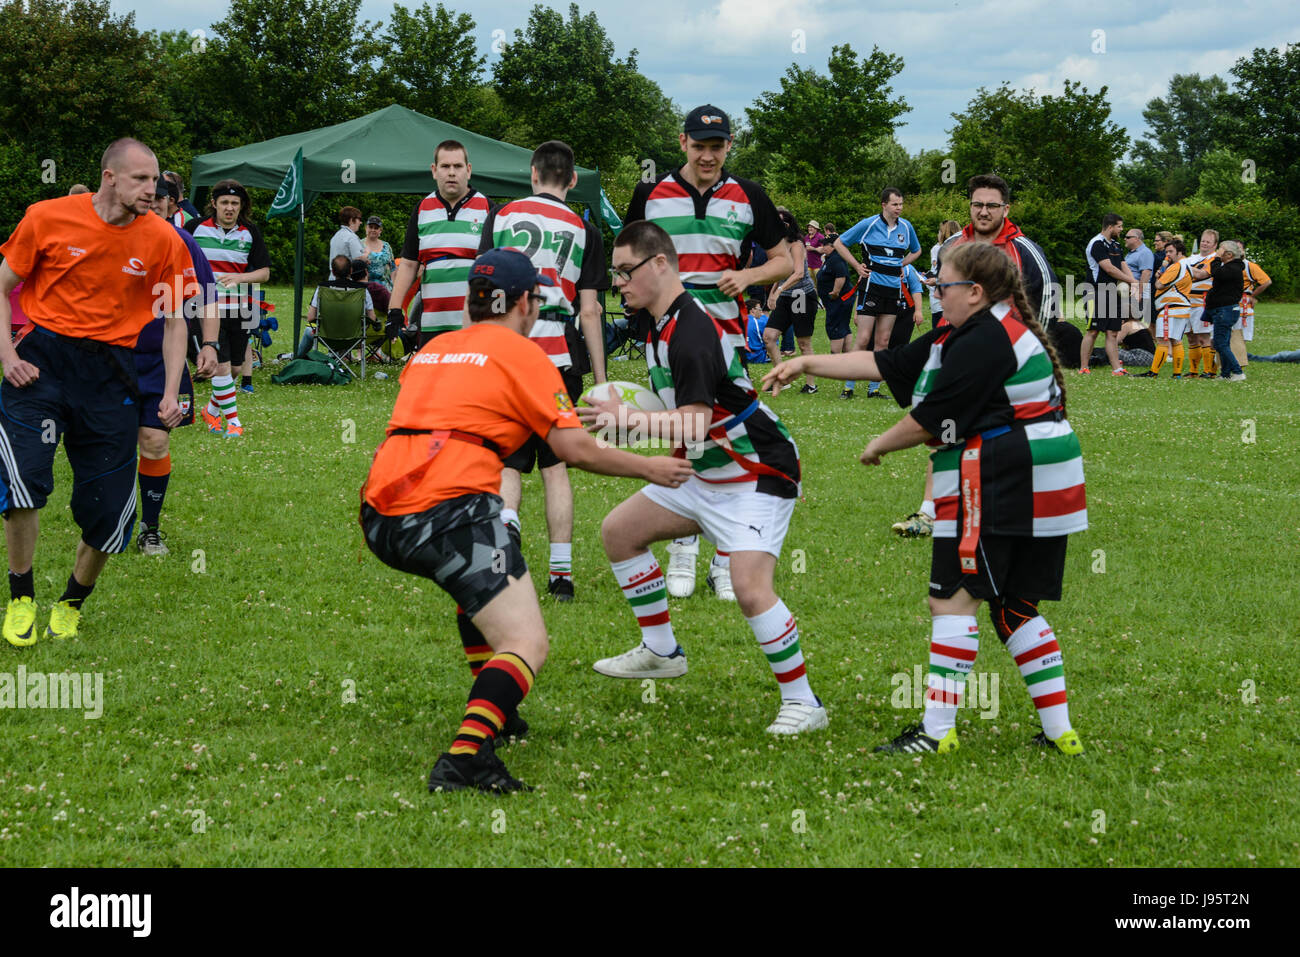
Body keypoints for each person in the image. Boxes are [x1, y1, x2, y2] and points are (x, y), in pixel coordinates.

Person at [359, 248, 691, 793]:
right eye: (536, 298)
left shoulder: (434, 349)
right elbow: (574, 449)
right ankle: (465, 758)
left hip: (380, 512)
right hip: (449, 512)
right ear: (525, 303)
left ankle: (501, 712)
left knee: (478, 595)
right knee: (527, 643)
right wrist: (648, 466)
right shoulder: (525, 354)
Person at [763, 241, 1086, 755]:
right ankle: (1059, 733)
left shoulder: (985, 339)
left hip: (1002, 480)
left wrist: (878, 445)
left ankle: (936, 734)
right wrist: (807, 365)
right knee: (1014, 607)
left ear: (975, 293)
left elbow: (936, 416)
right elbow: (888, 362)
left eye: (944, 283)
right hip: (1046, 483)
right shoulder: (969, 331)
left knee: (950, 600)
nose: (935, 290)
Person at [579, 221, 827, 735]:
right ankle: (661, 650)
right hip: (706, 466)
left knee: (748, 587)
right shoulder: (656, 320)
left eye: (626, 272)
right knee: (620, 532)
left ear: (661, 265)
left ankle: (805, 704)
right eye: (616, 274)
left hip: (757, 469)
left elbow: (692, 418)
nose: (619, 283)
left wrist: (628, 421)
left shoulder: (691, 331)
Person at [0, 137, 191, 646]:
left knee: (109, 507)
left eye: (156, 181)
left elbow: (176, 321)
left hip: (113, 372)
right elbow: (2, 285)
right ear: (110, 177)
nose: (154, 190)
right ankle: (21, 595)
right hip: (43, 362)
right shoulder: (46, 217)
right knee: (23, 483)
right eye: (141, 180)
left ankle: (70, 604)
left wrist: (170, 391)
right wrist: (8, 355)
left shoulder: (164, 240)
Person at [623, 104, 792, 601]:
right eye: (699, 146)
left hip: (729, 340)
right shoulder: (649, 193)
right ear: (682, 144)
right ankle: (682, 550)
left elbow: (785, 260)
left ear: (729, 146)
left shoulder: (749, 196)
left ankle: (724, 557)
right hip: (669, 337)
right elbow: (628, 259)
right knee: (684, 437)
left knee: (728, 445)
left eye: (717, 147)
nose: (708, 156)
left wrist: (749, 275)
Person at [891, 173, 1059, 538]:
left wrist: (1030, 355)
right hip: (961, 354)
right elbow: (944, 293)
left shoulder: (1024, 250)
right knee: (946, 425)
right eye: (977, 204)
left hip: (1011, 361)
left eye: (992, 205)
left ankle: (1010, 511)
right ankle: (930, 512)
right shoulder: (953, 244)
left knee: (1008, 436)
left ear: (1006, 209)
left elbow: (1045, 299)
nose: (983, 212)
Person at [479, 140, 609, 602]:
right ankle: (561, 577)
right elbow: (591, 311)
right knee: (556, 468)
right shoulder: (586, 231)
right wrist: (600, 376)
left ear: (532, 173)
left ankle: (508, 530)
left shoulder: (502, 216)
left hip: (509, 353)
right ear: (572, 180)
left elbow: (484, 290)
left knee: (507, 460)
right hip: (560, 358)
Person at [135, 179, 220, 555]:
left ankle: (149, 528)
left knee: (155, 439)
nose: (152, 205)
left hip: (161, 355)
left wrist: (211, 345)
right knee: (112, 445)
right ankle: (111, 518)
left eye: (160, 200)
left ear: (172, 204)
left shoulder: (183, 241)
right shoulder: (114, 235)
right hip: (110, 357)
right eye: (147, 198)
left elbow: (208, 296)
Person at [185, 179, 270, 437]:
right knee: (220, 366)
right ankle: (233, 423)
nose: (230, 208)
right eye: (225, 203)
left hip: (240, 307)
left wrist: (241, 278)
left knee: (233, 369)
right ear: (214, 204)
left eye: (235, 203)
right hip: (205, 307)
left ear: (241, 206)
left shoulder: (250, 231)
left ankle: (211, 410)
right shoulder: (194, 227)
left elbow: (264, 272)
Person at [391, 141, 493, 347]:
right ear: (434, 171)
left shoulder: (488, 208)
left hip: (475, 323)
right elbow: (409, 264)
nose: (452, 173)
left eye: (458, 166)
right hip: (432, 324)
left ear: (469, 170)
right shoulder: (422, 209)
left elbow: (499, 268)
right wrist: (394, 310)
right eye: (445, 167)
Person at [833, 187, 922, 398]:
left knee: (883, 341)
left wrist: (902, 264)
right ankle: (849, 386)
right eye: (895, 204)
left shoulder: (906, 227)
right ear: (884, 205)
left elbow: (916, 251)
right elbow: (839, 243)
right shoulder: (869, 224)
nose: (899, 208)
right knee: (863, 339)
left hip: (893, 291)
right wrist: (856, 265)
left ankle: (874, 389)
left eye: (901, 204)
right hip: (870, 289)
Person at [762, 208, 820, 392]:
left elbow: (798, 273)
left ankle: (811, 385)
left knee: (803, 342)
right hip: (785, 295)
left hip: (800, 295)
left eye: (783, 223)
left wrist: (778, 290)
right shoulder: (777, 246)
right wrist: (773, 293)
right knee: (769, 337)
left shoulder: (796, 245)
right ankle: (781, 378)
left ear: (789, 224)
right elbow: (781, 272)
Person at [1191, 240, 1247, 381]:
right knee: (1223, 343)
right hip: (1224, 310)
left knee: (1220, 344)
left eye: (1221, 249)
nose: (1218, 251)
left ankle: (1238, 371)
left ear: (1229, 254)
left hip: (1225, 311)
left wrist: (1215, 258)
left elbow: (1216, 273)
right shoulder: (1232, 267)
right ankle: (1225, 373)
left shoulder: (1232, 268)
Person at [1139, 238, 1192, 378]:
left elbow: (1159, 285)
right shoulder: (1188, 264)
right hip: (1182, 307)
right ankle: (1177, 374)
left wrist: (1158, 276)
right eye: (1166, 251)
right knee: (1176, 340)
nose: (1167, 255)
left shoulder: (1175, 267)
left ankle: (1153, 372)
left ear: (1180, 252)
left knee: (1162, 340)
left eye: (1171, 251)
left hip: (1171, 307)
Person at [816, 235, 856, 377]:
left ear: (832, 246)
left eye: (824, 245)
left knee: (835, 325)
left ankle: (835, 360)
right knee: (843, 325)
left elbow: (841, 276)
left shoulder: (837, 258)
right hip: (839, 300)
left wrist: (835, 292)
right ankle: (847, 358)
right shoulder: (830, 258)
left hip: (839, 300)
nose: (822, 247)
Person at [1184, 229, 1220, 378]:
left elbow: (1201, 274)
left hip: (1202, 301)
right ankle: (1193, 371)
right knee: (1191, 336)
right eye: (1203, 241)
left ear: (1214, 244)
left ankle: (1209, 371)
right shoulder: (1192, 258)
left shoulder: (1215, 259)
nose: (1204, 244)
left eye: (1208, 242)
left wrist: (1181, 266)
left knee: (1204, 337)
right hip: (1187, 300)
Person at [927, 220, 961, 330]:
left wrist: (934, 280)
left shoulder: (939, 248)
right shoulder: (962, 247)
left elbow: (942, 272)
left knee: (940, 332)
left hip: (942, 300)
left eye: (939, 231)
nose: (938, 234)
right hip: (957, 300)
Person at [1123, 227, 1155, 322]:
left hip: (1136, 292)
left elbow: (1146, 274)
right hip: (1129, 291)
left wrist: (1139, 293)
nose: (1125, 239)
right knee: (1124, 321)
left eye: (1128, 237)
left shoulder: (1145, 253)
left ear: (1137, 238)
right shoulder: (1131, 253)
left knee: (1131, 323)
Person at [329, 206, 364, 278]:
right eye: (359, 219)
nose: (360, 222)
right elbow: (359, 261)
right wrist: (367, 255)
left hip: (333, 279)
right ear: (351, 220)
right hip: (346, 282)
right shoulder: (351, 237)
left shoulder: (336, 236)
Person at [362, 216, 395, 289]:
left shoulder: (386, 246)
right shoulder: (359, 244)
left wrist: (394, 287)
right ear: (366, 228)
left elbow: (393, 269)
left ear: (380, 230)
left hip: (386, 289)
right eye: (370, 227)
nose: (373, 230)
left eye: (376, 228)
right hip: (366, 289)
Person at [744, 297, 770, 364]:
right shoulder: (760, 322)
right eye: (760, 309)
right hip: (757, 356)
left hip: (742, 356)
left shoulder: (740, 321)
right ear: (753, 310)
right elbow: (768, 340)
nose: (761, 312)